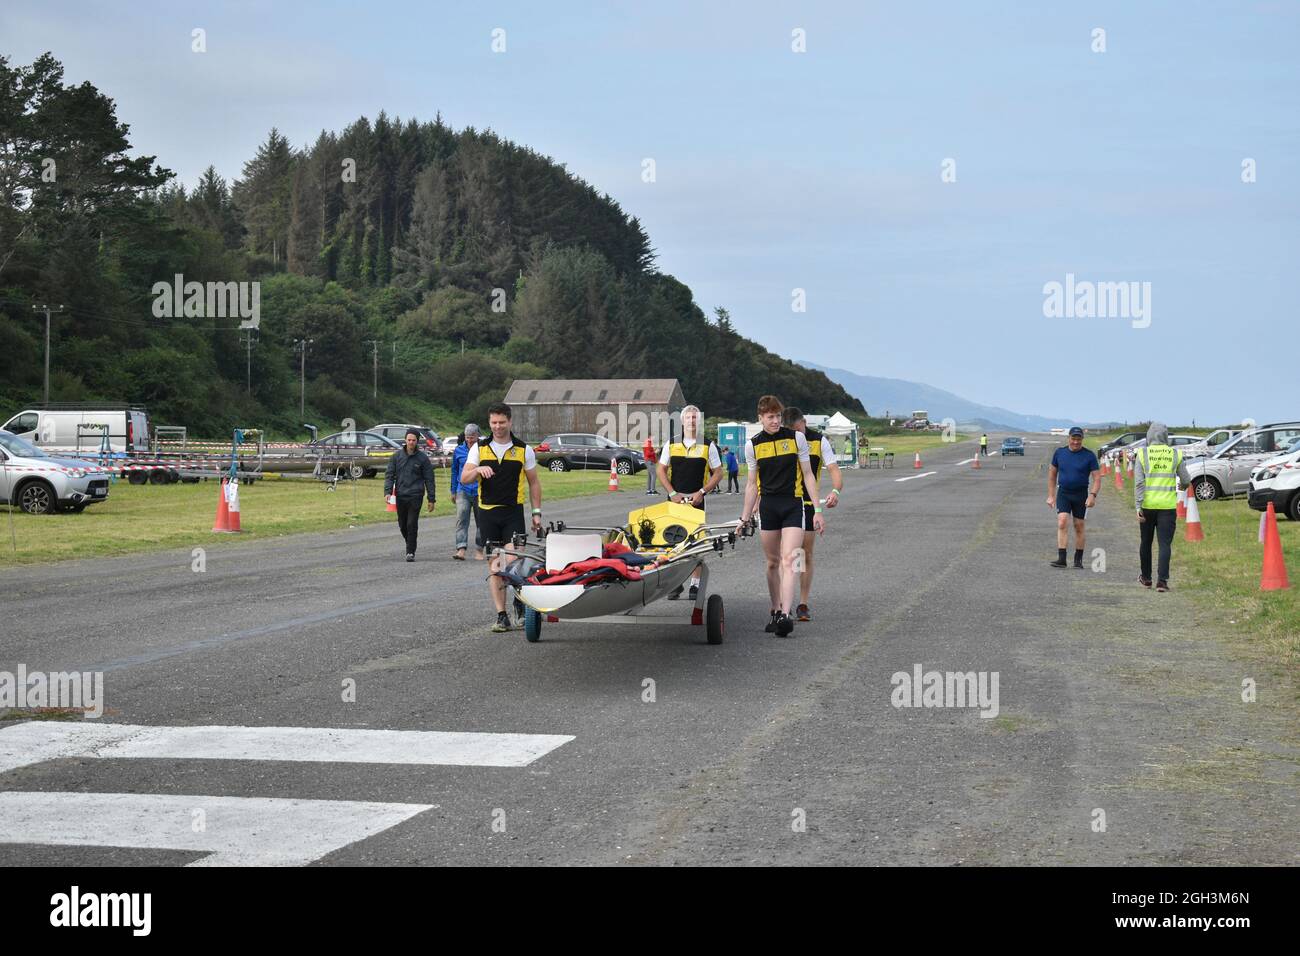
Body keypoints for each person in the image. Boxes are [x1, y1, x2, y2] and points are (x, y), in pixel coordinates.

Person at [739, 395, 825, 637]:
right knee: (773, 562)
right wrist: (744, 518)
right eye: (770, 417)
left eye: (778, 416)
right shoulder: (752, 445)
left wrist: (817, 510)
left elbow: (808, 475)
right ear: (761, 418)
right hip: (768, 508)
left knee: (790, 560)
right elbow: (751, 485)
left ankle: (786, 615)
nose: (776, 421)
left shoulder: (796, 438)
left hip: (793, 506)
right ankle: (775, 609)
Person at [460, 402, 543, 632]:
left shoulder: (523, 449)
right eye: (493, 423)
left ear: (510, 422)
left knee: (513, 561)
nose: (497, 427)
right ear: (489, 423)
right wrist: (476, 470)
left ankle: (519, 602)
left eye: (502, 422)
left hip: (513, 513)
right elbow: (464, 478)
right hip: (487, 514)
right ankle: (501, 615)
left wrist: (536, 513)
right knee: (495, 565)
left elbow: (534, 482)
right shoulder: (479, 448)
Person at [657, 405, 723, 601]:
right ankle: (675, 585)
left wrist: (702, 492)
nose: (691, 421)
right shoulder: (671, 444)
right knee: (672, 543)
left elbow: (718, 473)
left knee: (696, 543)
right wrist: (672, 493)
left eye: (695, 418)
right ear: (682, 421)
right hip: (675, 501)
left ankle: (695, 585)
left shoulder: (708, 445)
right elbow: (661, 470)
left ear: (699, 421)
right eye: (688, 418)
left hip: (696, 501)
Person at [782, 406, 842, 622]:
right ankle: (785, 602)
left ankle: (803, 603)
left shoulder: (819, 441)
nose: (795, 434)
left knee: (804, 553)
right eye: (791, 431)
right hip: (786, 501)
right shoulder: (782, 439)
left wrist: (835, 490)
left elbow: (834, 468)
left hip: (808, 503)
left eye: (798, 429)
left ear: (804, 422)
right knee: (790, 554)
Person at [1134, 421, 1183, 592]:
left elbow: (1139, 482)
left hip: (1147, 506)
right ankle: (1162, 581)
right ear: (1165, 436)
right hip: (1167, 507)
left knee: (1146, 542)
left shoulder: (1142, 454)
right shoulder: (1175, 454)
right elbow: (1185, 478)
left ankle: (1146, 578)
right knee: (1164, 544)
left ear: (1148, 436)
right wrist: (1183, 486)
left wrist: (1138, 506)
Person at [1047, 426, 1100, 568]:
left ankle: (1078, 560)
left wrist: (1092, 496)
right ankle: (1062, 559)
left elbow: (1097, 478)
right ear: (1068, 438)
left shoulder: (1089, 456)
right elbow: (1052, 475)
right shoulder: (1060, 453)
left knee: (1079, 525)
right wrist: (1051, 496)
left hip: (1081, 494)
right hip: (1064, 493)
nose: (1076, 442)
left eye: (1079, 439)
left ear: (1082, 439)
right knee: (1062, 522)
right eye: (1073, 439)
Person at [384, 427, 436, 562]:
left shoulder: (423, 458)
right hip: (401, 495)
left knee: (411, 523)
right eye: (409, 440)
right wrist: (387, 492)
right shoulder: (396, 457)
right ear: (405, 440)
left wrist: (431, 499)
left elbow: (429, 479)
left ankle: (410, 551)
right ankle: (410, 543)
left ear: (417, 441)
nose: (411, 442)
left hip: (416, 495)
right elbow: (389, 475)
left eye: (413, 440)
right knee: (402, 524)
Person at [450, 423, 485, 561]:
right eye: (467, 437)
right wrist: (453, 490)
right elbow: (454, 471)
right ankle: (461, 549)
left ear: (478, 436)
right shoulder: (458, 450)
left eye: (472, 437)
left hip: (480, 490)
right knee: (461, 519)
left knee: (481, 521)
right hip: (462, 490)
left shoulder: (484, 450)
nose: (470, 440)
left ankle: (479, 550)